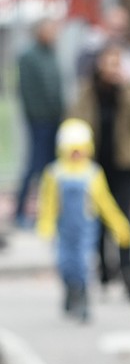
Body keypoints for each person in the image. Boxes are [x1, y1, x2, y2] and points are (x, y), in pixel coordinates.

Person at [70, 41, 130, 291]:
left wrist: (125, 86)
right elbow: (75, 120)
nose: (112, 67)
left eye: (117, 62)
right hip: (95, 165)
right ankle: (104, 269)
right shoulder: (88, 90)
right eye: (108, 61)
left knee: (123, 216)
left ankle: (126, 268)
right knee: (99, 218)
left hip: (124, 164)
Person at [36, 118, 130, 322]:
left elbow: (105, 202)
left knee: (83, 263)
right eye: (72, 149)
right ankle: (70, 291)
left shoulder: (93, 173)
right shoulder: (55, 173)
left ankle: (83, 299)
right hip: (64, 230)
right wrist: (46, 225)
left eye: (80, 149)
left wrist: (119, 225)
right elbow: (49, 202)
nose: (76, 153)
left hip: (86, 229)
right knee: (64, 263)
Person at [14, 18, 65, 229]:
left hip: (55, 118)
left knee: (51, 168)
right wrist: (38, 115)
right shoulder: (28, 56)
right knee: (35, 165)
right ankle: (20, 212)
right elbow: (27, 91)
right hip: (39, 120)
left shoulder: (51, 54)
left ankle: (48, 211)